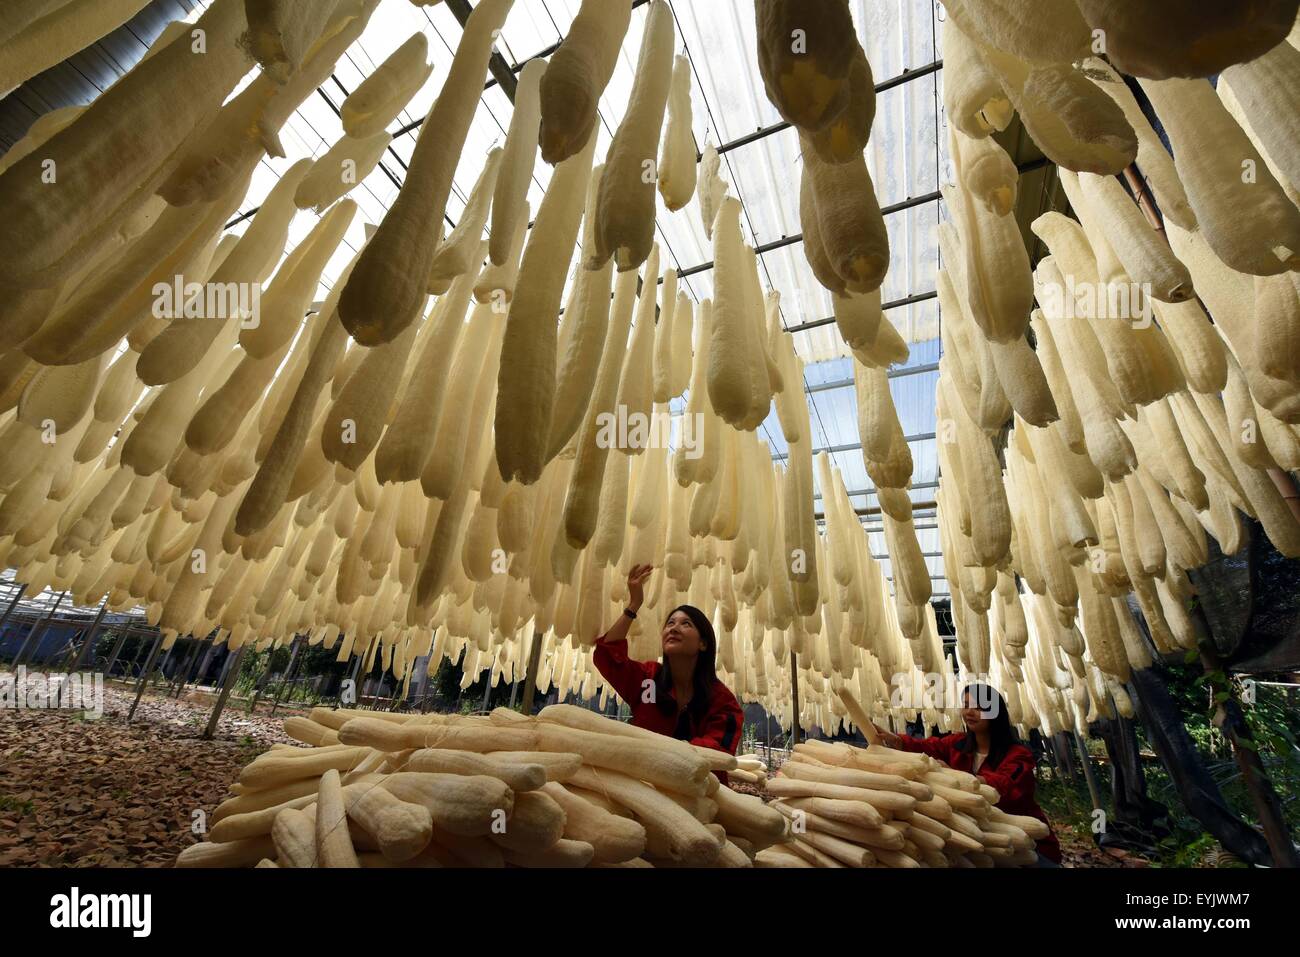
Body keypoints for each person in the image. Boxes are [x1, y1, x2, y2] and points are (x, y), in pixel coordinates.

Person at [873, 682, 1062, 865]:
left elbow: (1005, 787)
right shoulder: (958, 743)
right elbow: (928, 746)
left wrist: (953, 775)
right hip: (983, 840)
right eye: (965, 705)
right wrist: (896, 740)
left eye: (978, 707)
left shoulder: (1019, 755)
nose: (969, 712)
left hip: (1028, 843)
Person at [591, 564, 744, 779]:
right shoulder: (648, 682)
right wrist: (633, 605)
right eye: (670, 623)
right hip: (642, 786)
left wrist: (658, 753)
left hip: (697, 791)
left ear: (703, 643)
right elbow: (607, 656)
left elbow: (717, 753)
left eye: (686, 624)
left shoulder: (723, 702)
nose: (673, 628)